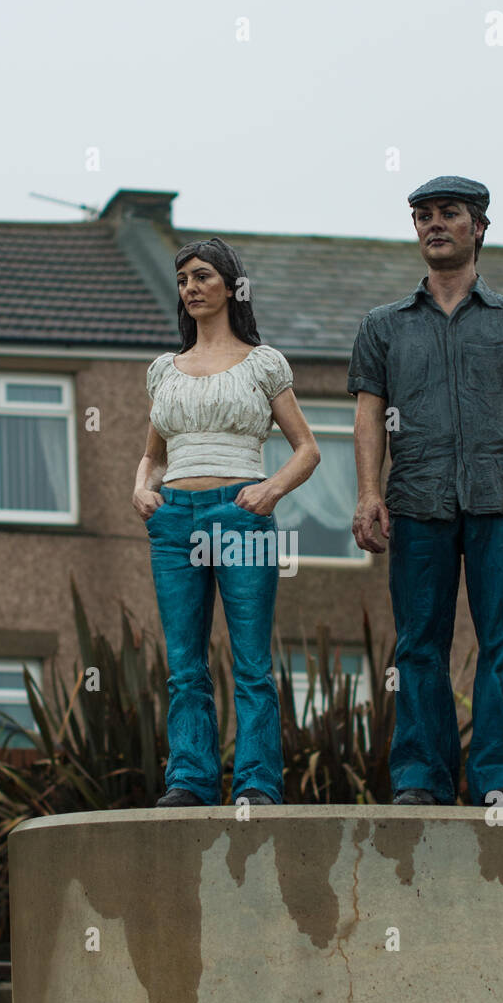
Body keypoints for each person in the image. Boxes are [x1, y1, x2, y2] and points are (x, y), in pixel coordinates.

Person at [348, 176, 503, 807]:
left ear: (479, 229)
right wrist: (369, 494)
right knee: (419, 645)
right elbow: (368, 415)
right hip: (417, 502)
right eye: (423, 215)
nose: (434, 224)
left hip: (502, 500)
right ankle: (421, 779)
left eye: (449, 213)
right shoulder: (383, 327)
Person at [133, 236, 320, 808]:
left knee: (252, 663)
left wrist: (270, 489)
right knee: (185, 666)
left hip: (239, 515)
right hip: (172, 522)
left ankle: (258, 785)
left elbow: (307, 449)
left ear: (231, 285)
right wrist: (140, 487)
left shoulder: (264, 364)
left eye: (203, 276)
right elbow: (153, 455)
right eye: (184, 278)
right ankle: (189, 780)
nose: (191, 286)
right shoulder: (164, 369)